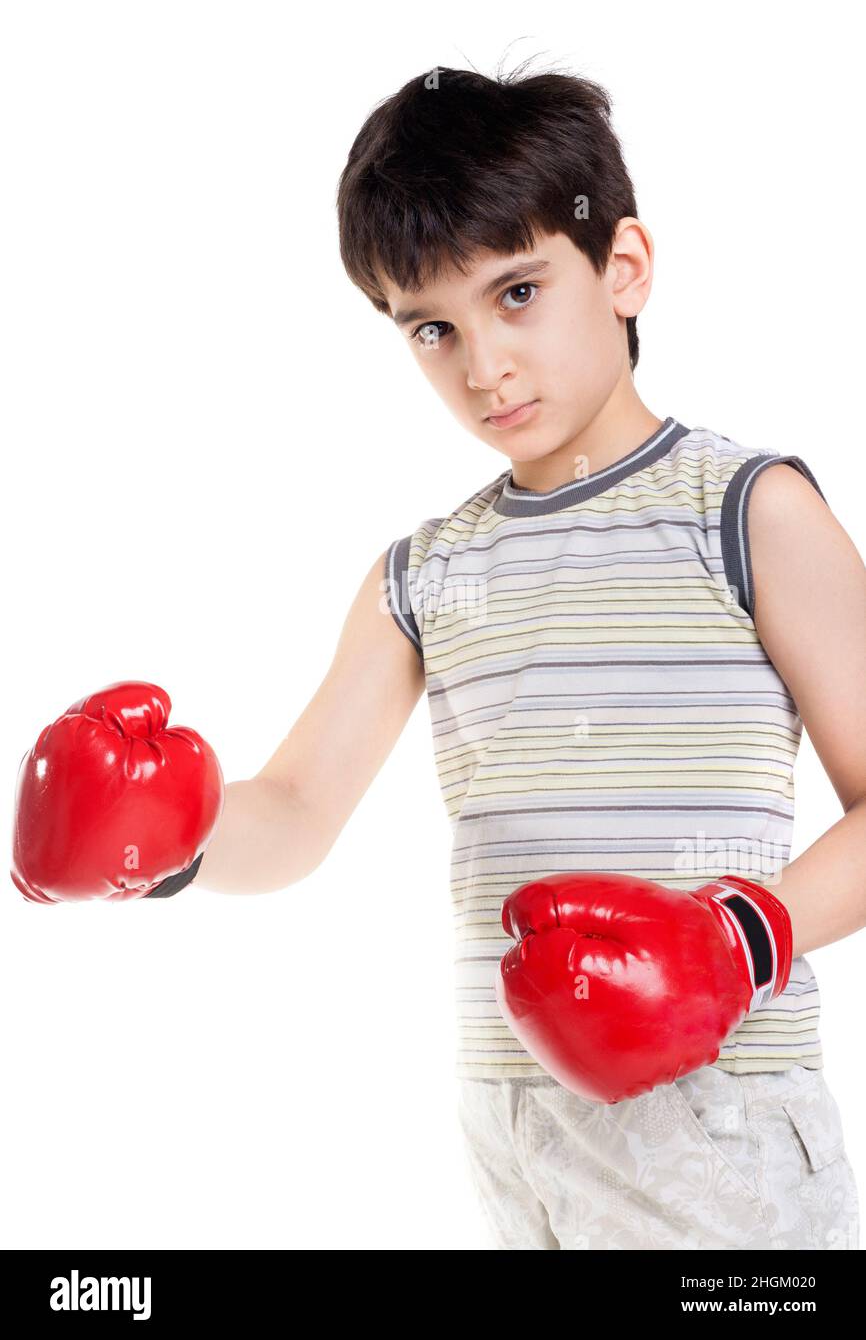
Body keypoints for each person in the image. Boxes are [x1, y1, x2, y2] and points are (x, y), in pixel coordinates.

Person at [14, 62, 865, 1250]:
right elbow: (299, 812)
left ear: (621, 267)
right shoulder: (421, 573)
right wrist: (166, 833)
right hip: (509, 1129)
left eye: (517, 292)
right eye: (433, 327)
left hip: (714, 1111)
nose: (482, 366)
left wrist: (735, 939)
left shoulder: (745, 508)